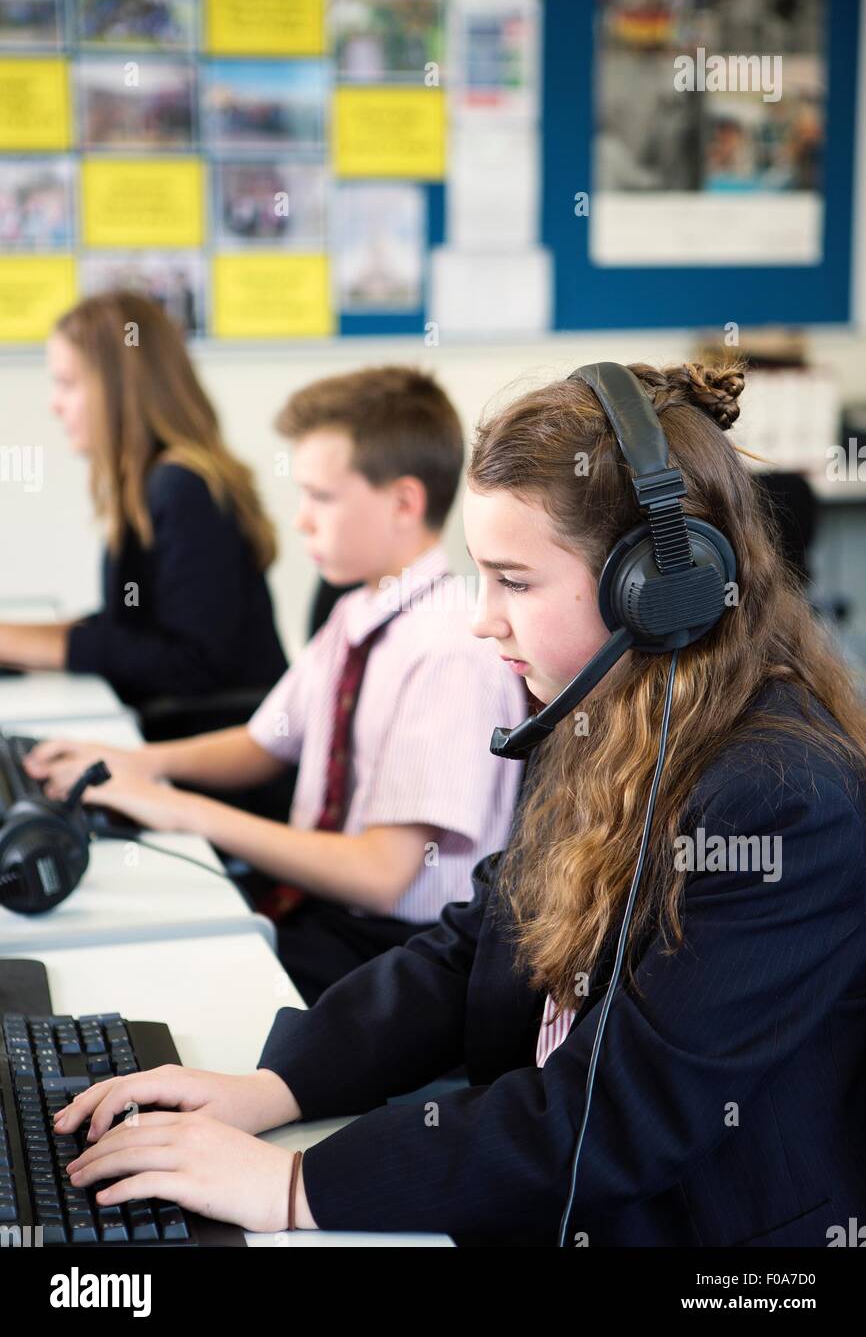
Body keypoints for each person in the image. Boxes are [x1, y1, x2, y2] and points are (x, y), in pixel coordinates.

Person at [50, 361, 866, 1246]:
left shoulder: (783, 803)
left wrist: (295, 1186)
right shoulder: (607, 715)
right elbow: (474, 946)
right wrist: (273, 1088)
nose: (483, 619)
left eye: (514, 581)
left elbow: (616, 1116)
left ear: (659, 592)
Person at [30, 365, 527, 1004]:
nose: (301, 522)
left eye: (322, 497)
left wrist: (180, 810)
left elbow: (380, 876)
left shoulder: (449, 651)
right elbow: (267, 743)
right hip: (323, 915)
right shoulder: (361, 612)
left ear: (403, 502)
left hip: (397, 951)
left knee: (164, 993)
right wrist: (133, 764)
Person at [0, 291, 287, 707]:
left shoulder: (183, 488)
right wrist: (20, 641)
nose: (54, 405)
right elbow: (135, 625)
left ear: (120, 387)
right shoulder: (155, 481)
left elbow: (191, 663)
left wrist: (31, 644)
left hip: (206, 743)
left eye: (67, 384)